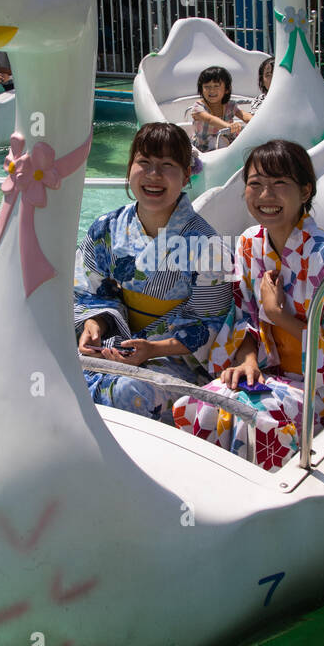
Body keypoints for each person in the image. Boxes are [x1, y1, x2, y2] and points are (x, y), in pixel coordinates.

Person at [172, 140, 324, 470]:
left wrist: (277, 315)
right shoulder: (249, 242)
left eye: (279, 184)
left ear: (305, 192)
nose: (265, 196)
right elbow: (242, 317)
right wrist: (249, 360)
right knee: (203, 403)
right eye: (255, 184)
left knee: (255, 419)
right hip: (269, 373)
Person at [75, 122, 233, 422]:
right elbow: (92, 293)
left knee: (128, 393)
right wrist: (94, 327)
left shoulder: (207, 244)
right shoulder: (106, 228)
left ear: (187, 174)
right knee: (45, 372)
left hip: (174, 359)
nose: (153, 175)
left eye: (167, 165)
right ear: (130, 165)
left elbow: (212, 323)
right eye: (143, 162)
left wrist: (150, 350)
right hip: (117, 344)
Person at [188, 65, 251, 151]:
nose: (212, 90)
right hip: (204, 146)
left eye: (216, 86)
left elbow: (244, 115)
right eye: (207, 87)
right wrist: (229, 126)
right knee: (220, 142)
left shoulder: (231, 105)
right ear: (201, 89)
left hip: (228, 143)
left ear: (227, 89)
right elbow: (210, 119)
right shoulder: (198, 107)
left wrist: (257, 121)